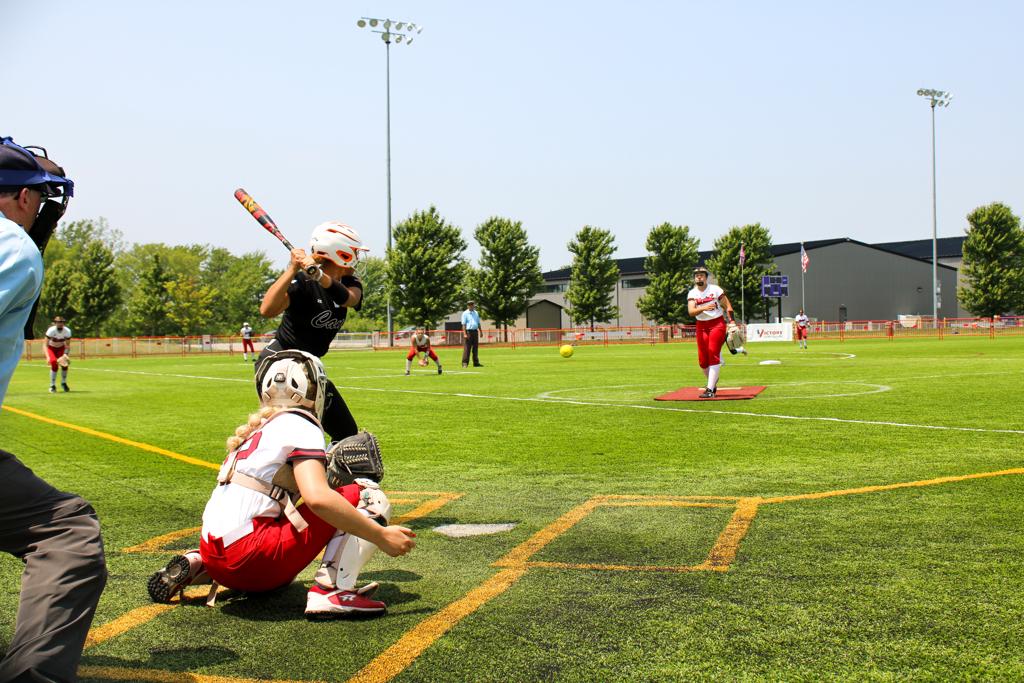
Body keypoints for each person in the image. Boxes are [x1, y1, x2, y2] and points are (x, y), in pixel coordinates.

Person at [146, 350, 415, 618]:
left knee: (281, 577)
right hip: (250, 560)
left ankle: (200, 564)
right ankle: (332, 591)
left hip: (217, 553)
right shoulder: (303, 425)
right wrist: (381, 536)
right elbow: (318, 499)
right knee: (367, 493)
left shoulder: (258, 430)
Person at [0, 136, 107, 682]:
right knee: (68, 532)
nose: (44, 210)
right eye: (40, 197)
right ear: (21, 197)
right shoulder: (14, 247)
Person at [256, 221, 367, 441]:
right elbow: (267, 309)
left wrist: (319, 275)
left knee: (346, 433)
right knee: (300, 435)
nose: (357, 258)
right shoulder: (302, 282)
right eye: (354, 252)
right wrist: (292, 269)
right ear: (341, 254)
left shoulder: (350, 282)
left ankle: (329, 475)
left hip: (309, 367)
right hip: (280, 363)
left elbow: (350, 299)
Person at [686, 265, 738, 399]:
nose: (699, 276)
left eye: (702, 274)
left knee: (712, 353)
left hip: (716, 323)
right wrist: (704, 307)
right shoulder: (692, 293)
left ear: (706, 277)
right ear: (694, 278)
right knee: (703, 360)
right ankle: (713, 382)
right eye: (697, 275)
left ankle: (710, 389)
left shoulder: (715, 290)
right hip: (701, 325)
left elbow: (728, 306)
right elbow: (691, 312)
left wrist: (732, 322)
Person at [45, 315, 72, 392]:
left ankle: (63, 383)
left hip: (61, 348)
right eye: (59, 322)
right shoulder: (51, 330)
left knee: (64, 364)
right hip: (51, 348)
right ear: (55, 323)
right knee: (53, 362)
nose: (60, 324)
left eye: (62, 322)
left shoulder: (67, 331)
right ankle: (52, 385)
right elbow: (45, 344)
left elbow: (67, 345)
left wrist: (65, 354)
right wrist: (47, 357)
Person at [461, 300, 483, 368]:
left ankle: (476, 363)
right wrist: (464, 334)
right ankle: (465, 363)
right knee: (467, 348)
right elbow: (464, 324)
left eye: (473, 305)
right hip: (468, 332)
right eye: (470, 305)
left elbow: (478, 323)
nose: (472, 306)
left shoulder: (476, 313)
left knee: (475, 348)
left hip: (475, 332)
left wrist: (481, 331)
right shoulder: (465, 313)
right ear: (468, 306)